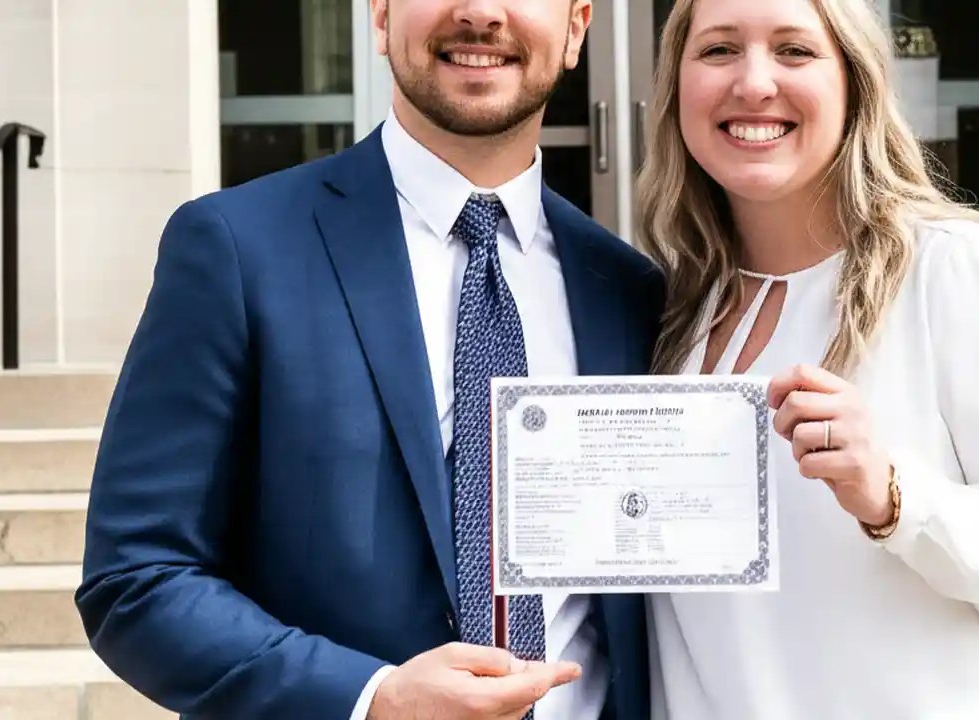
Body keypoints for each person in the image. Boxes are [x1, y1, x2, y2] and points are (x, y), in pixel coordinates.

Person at [75, 1, 661, 718]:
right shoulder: (235, 248)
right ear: (380, 16)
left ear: (575, 27)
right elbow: (136, 578)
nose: (479, 12)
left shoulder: (631, 292)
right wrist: (374, 699)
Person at [635, 0, 979, 717]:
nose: (753, 82)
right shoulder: (678, 309)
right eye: (717, 50)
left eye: (794, 51)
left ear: (854, 80)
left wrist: (896, 495)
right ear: (676, 86)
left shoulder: (958, 269)